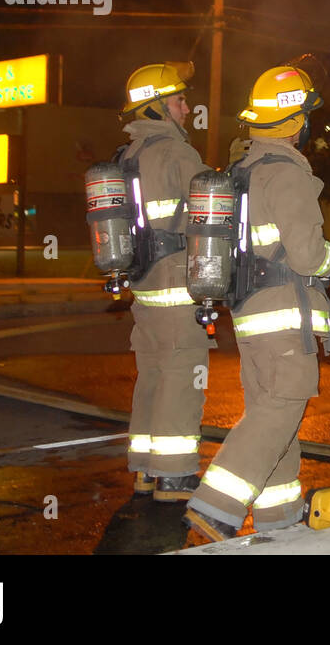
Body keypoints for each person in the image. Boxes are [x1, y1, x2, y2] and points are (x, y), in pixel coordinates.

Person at [183, 65, 330, 541]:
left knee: (275, 414)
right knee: (283, 406)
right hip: (283, 317)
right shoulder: (288, 175)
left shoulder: (242, 173)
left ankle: (280, 514)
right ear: (296, 122)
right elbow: (306, 254)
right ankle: (215, 506)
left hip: (252, 318)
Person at [118, 61, 213, 502]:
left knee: (153, 373)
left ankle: (144, 468)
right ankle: (174, 476)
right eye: (179, 100)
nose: (187, 107)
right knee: (183, 371)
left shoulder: (127, 156)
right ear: (157, 107)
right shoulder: (176, 153)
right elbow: (206, 218)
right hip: (178, 280)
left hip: (144, 286)